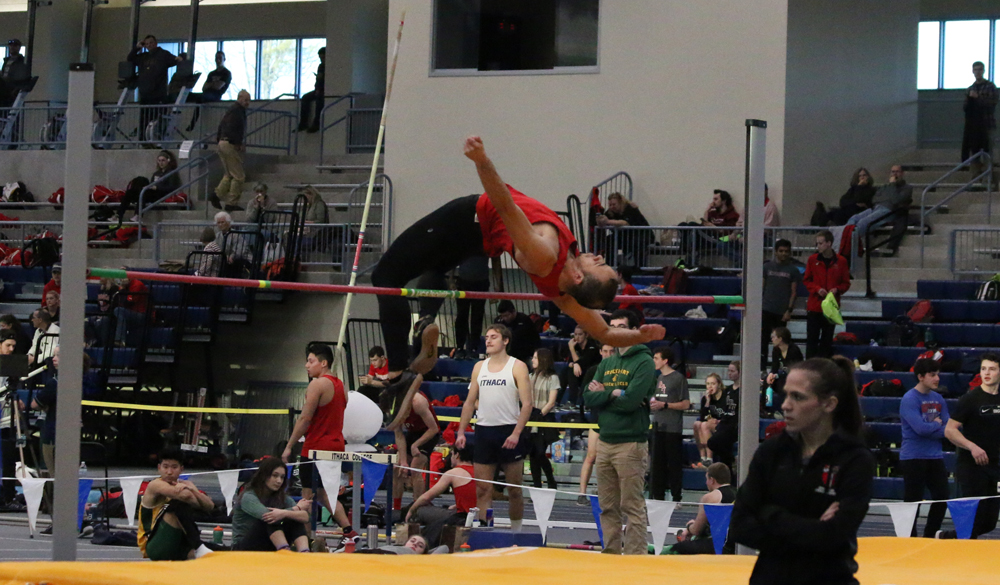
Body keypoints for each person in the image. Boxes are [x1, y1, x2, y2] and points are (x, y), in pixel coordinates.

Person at [372, 136, 664, 416]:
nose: (600, 257)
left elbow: (504, 204)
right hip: (481, 239)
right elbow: (604, 332)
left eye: (600, 265)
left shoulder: (544, 255)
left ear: (578, 277)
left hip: (465, 219)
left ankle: (399, 370)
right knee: (433, 267)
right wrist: (638, 336)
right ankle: (424, 321)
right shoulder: (562, 292)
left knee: (385, 278)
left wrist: (481, 161)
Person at [730, 357, 875, 585]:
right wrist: (815, 528)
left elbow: (835, 536)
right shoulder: (771, 452)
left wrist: (770, 515)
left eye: (797, 397)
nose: (785, 405)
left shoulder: (854, 459)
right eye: (786, 394)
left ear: (829, 404)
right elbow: (739, 526)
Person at [584, 309, 655, 555]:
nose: (614, 330)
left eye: (620, 326)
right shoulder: (607, 361)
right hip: (605, 442)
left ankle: (636, 558)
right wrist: (613, 392)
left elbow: (631, 401)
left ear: (633, 330)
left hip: (630, 443)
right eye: (611, 326)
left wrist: (604, 393)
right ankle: (611, 554)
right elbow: (587, 397)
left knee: (632, 506)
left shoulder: (644, 361)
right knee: (607, 506)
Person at [454, 324, 532, 530]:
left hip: (509, 431)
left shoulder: (517, 366)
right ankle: (486, 530)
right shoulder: (479, 367)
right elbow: (470, 402)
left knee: (514, 490)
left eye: (494, 337)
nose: (488, 341)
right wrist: (461, 431)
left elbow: (528, 404)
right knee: (482, 489)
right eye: (486, 337)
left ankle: (516, 532)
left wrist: (516, 433)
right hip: (484, 431)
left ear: (505, 341)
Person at [281, 344, 357, 540]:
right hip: (335, 445)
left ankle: (305, 541)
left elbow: (305, 419)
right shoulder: (341, 386)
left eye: (311, 360)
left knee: (307, 497)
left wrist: (289, 445)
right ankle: (349, 531)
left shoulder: (317, 385)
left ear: (323, 363)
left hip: (315, 446)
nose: (307, 365)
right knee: (325, 494)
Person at [943, 352, 1000, 540]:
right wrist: (972, 447)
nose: (987, 373)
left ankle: (945, 537)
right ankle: (963, 560)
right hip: (971, 467)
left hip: (994, 466)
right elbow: (950, 430)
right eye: (984, 369)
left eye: (992, 369)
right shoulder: (970, 399)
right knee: (971, 521)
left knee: (989, 522)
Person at [900, 358, 950, 538]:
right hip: (913, 456)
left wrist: (932, 427)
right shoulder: (909, 399)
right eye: (932, 375)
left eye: (937, 374)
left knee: (942, 497)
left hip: (934, 456)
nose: (937, 378)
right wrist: (936, 425)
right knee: (913, 502)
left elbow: (949, 428)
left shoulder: (938, 398)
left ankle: (930, 535)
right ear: (921, 377)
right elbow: (919, 429)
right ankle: (909, 538)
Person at [138, 449, 219, 560]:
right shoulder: (155, 484)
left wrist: (192, 490)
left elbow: (210, 506)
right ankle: (198, 546)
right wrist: (195, 498)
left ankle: (199, 548)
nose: (169, 472)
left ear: (181, 469)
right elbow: (185, 497)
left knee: (219, 552)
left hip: (178, 544)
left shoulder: (186, 484)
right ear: (159, 468)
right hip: (155, 545)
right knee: (178, 504)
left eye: (174, 467)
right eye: (165, 467)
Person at [404, 444, 477, 547]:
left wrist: (411, 510)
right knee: (446, 508)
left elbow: (427, 497)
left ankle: (416, 542)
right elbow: (472, 496)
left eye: (451, 454)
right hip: (475, 516)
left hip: (462, 517)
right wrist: (458, 505)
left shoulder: (453, 473)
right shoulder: (480, 472)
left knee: (420, 509)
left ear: (457, 455)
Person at [232, 457, 312, 551]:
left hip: (268, 544)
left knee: (294, 518)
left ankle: (304, 552)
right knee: (271, 518)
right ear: (264, 476)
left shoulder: (282, 496)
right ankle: (284, 550)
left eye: (282, 477)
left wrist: (286, 513)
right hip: (243, 546)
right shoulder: (248, 496)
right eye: (275, 475)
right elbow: (267, 515)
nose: (279, 481)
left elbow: (306, 517)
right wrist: (295, 508)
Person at [392, 372, 439, 509]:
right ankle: (396, 507)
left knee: (415, 468)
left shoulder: (418, 402)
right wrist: (403, 461)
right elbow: (398, 433)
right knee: (397, 468)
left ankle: (418, 507)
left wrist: (416, 445)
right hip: (412, 432)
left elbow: (434, 429)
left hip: (427, 433)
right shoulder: (394, 405)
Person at [667, 463, 736, 554]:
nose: (706, 483)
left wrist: (689, 527)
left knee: (679, 548)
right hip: (735, 546)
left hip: (718, 546)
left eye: (707, 479)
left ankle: (655, 551)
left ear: (712, 480)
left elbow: (696, 530)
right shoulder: (738, 493)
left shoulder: (710, 497)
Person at [649, 346, 690, 502]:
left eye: (656, 358)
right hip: (658, 424)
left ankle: (676, 496)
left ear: (665, 361)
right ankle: (657, 496)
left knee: (673, 464)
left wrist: (665, 405)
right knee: (657, 464)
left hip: (672, 427)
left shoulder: (678, 378)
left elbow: (686, 403)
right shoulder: (659, 378)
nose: (654, 361)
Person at [803, 230, 850, 358]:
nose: (818, 246)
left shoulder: (841, 261)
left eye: (820, 243)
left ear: (829, 243)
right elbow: (807, 280)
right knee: (812, 339)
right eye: (817, 243)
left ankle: (824, 368)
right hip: (815, 306)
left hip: (831, 308)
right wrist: (817, 289)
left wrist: (837, 289)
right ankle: (810, 367)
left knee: (827, 340)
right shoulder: (813, 260)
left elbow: (846, 283)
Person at [845, 165, 912, 256]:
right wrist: (888, 197)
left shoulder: (907, 188)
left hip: (888, 210)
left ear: (902, 173)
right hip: (876, 207)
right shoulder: (885, 186)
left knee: (863, 222)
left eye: (897, 171)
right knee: (854, 218)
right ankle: (845, 240)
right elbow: (875, 199)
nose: (894, 174)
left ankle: (847, 246)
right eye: (893, 172)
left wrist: (892, 186)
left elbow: (896, 200)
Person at [577, 344, 614, 504]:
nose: (607, 354)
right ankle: (582, 493)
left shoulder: (621, 372)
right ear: (600, 352)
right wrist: (603, 394)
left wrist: (605, 391)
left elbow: (625, 393)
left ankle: (607, 492)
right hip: (597, 418)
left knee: (611, 459)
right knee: (591, 456)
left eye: (611, 351)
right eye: (605, 351)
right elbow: (585, 396)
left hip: (615, 419)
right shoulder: (593, 371)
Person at [127, 36, 180, 139]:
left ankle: (157, 140)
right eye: (146, 44)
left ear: (155, 43)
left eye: (151, 43)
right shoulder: (143, 57)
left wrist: (180, 59)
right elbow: (130, 58)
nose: (149, 45)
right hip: (145, 94)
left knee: (158, 120)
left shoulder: (163, 54)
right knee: (144, 120)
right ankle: (143, 141)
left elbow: (175, 60)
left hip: (159, 94)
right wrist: (137, 47)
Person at [761, 239, 800, 366]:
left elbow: (794, 292)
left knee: (781, 342)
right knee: (763, 340)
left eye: (786, 251)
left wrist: (789, 310)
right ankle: (761, 367)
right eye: (781, 251)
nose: (784, 254)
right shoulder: (766, 267)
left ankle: (777, 367)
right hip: (766, 309)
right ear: (775, 252)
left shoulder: (793, 270)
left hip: (781, 312)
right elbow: (761, 287)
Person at [210, 90, 250, 213]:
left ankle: (217, 195)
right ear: (240, 98)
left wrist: (219, 140)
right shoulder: (238, 111)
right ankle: (231, 203)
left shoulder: (231, 110)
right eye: (246, 100)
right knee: (238, 176)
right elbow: (235, 129)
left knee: (228, 174)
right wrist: (238, 143)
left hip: (222, 142)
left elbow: (222, 126)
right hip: (229, 143)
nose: (248, 103)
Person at [118, 150, 180, 225]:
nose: (161, 163)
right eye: (159, 160)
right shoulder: (156, 173)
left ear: (168, 161)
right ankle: (119, 215)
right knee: (130, 192)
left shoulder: (172, 173)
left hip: (161, 194)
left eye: (163, 160)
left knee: (145, 193)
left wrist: (157, 188)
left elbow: (172, 187)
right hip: (152, 193)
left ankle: (137, 215)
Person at [528, 348, 560, 490]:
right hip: (531, 415)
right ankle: (537, 485)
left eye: (535, 357)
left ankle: (551, 481)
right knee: (533, 453)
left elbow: (552, 401)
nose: (532, 360)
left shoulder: (553, 378)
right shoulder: (530, 376)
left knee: (540, 452)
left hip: (544, 418)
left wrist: (540, 414)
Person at [595, 192, 651, 266]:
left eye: (614, 204)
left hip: (641, 235)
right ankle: (610, 265)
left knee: (637, 242)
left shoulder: (630, 209)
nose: (612, 207)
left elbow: (625, 223)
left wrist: (608, 221)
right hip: (625, 237)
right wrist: (600, 220)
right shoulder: (610, 212)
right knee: (609, 240)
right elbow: (603, 219)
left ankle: (639, 267)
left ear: (620, 203)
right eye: (610, 205)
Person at [962, 61, 998, 173]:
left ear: (983, 71)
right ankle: (975, 179)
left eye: (980, 70)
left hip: (987, 124)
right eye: (975, 70)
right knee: (974, 152)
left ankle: (988, 178)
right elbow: (965, 107)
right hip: (974, 127)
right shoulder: (970, 89)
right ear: (973, 71)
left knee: (987, 152)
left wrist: (977, 97)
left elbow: (992, 103)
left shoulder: (990, 87)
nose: (977, 72)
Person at [452, 256, 490, 360]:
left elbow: (496, 260)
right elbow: (453, 259)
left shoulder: (486, 242)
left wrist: (499, 285)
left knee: (477, 316)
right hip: (464, 281)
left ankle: (473, 348)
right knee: (462, 315)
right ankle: (460, 347)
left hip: (481, 282)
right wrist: (451, 280)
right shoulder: (464, 242)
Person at [707, 361, 740, 474]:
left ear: (740, 372)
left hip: (735, 423)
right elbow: (723, 408)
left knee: (714, 442)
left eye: (732, 371)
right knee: (719, 444)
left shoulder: (743, 390)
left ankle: (731, 461)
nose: (729, 373)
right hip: (725, 421)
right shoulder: (728, 390)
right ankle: (730, 466)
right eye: (728, 370)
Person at [185, 51, 232, 132]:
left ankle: (193, 123)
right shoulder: (211, 73)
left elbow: (218, 87)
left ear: (224, 59)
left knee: (200, 98)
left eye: (220, 58)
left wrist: (210, 84)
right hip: (206, 94)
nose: (218, 60)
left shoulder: (226, 73)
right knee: (188, 95)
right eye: (217, 58)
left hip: (216, 96)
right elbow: (204, 87)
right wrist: (214, 84)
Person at [561, 325, 602, 406]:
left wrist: (572, 350)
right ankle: (556, 400)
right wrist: (574, 364)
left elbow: (583, 364)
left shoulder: (592, 346)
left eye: (580, 334)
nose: (577, 337)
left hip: (591, 375)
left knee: (570, 370)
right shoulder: (575, 346)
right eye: (575, 334)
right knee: (566, 370)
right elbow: (570, 362)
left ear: (586, 335)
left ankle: (572, 402)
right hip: (579, 374)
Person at [765, 326, 803, 412]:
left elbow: (795, 369)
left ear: (780, 339)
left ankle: (784, 409)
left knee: (782, 382)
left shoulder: (793, 350)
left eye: (773, 337)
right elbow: (774, 366)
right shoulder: (776, 350)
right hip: (780, 375)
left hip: (794, 377)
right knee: (767, 383)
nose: (772, 339)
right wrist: (771, 374)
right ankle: (768, 408)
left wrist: (777, 374)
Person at [693, 373, 724, 467]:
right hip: (709, 425)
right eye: (708, 384)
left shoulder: (725, 397)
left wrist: (718, 421)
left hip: (722, 425)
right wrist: (707, 402)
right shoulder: (705, 398)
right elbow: (702, 418)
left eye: (713, 384)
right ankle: (703, 458)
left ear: (718, 384)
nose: (710, 386)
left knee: (704, 425)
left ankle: (709, 459)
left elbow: (729, 415)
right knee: (697, 424)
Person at [493, 300, 539, 364]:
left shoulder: (524, 320)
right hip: (505, 354)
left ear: (514, 312)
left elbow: (535, 339)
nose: (505, 318)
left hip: (525, 355)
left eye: (507, 315)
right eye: (502, 316)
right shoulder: (498, 321)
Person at [299, 47, 325, 133]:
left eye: (323, 58)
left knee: (319, 100)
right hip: (319, 89)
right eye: (320, 58)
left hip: (325, 90)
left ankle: (317, 123)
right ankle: (303, 123)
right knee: (305, 98)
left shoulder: (329, 67)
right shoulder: (321, 66)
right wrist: (317, 88)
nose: (322, 60)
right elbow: (319, 80)